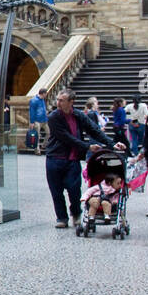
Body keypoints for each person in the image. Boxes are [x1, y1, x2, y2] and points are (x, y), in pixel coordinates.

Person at [45, 89, 124, 229]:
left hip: (72, 159)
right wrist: (87, 146)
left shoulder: (78, 115)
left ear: (71, 102)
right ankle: (61, 218)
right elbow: (65, 137)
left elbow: (94, 130)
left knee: (74, 190)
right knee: (56, 191)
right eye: (57, 99)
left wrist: (111, 143)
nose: (58, 103)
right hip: (55, 158)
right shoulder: (53, 117)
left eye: (61, 100)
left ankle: (76, 213)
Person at [29, 88, 49, 153]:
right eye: (46, 94)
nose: (46, 95)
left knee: (49, 133)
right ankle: (37, 150)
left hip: (44, 120)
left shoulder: (42, 99)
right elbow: (32, 111)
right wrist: (32, 122)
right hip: (37, 120)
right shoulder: (34, 100)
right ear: (43, 94)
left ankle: (44, 145)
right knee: (37, 135)